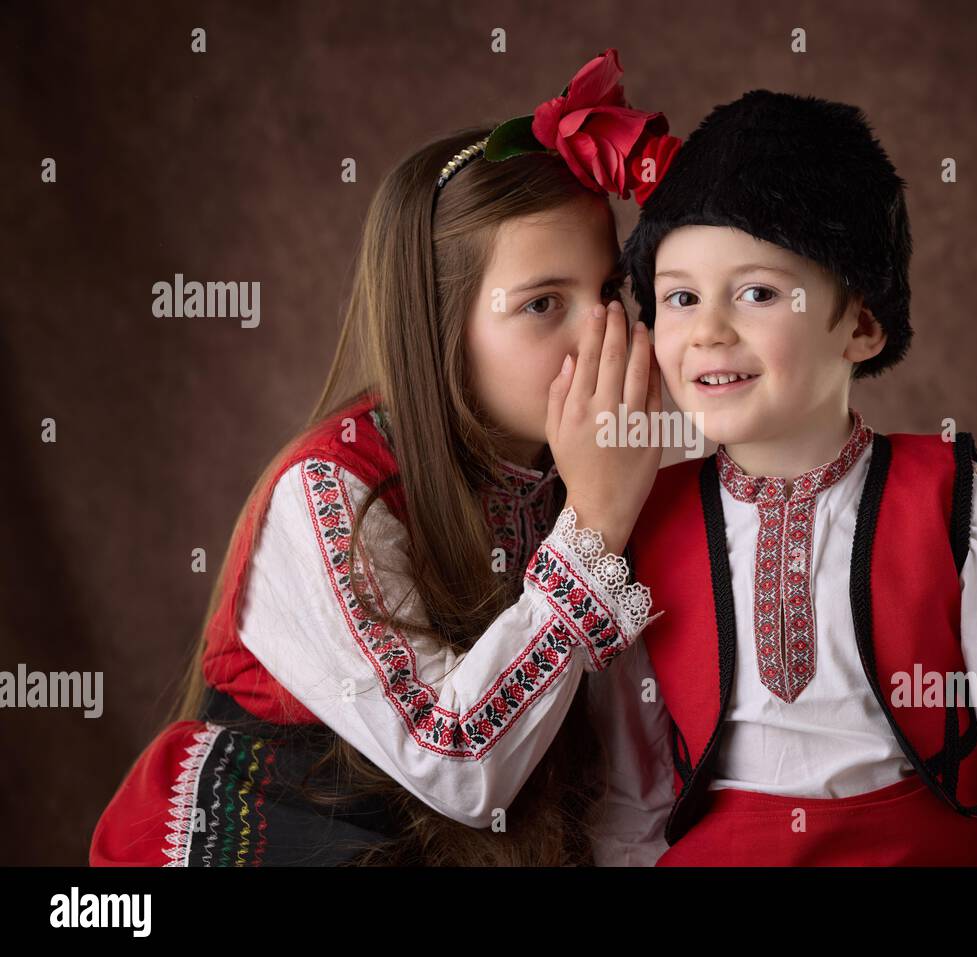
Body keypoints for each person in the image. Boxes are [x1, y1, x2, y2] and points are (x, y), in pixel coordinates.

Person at [90, 48, 676, 866]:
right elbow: (461, 762)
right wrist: (595, 526)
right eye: (544, 304)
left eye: (609, 291)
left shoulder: (593, 473)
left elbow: (633, 776)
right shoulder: (327, 492)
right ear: (440, 334)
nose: (602, 333)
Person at [590, 89, 977, 866]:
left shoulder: (954, 501)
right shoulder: (644, 522)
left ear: (862, 325)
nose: (708, 330)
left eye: (759, 292)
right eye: (680, 297)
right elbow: (632, 801)